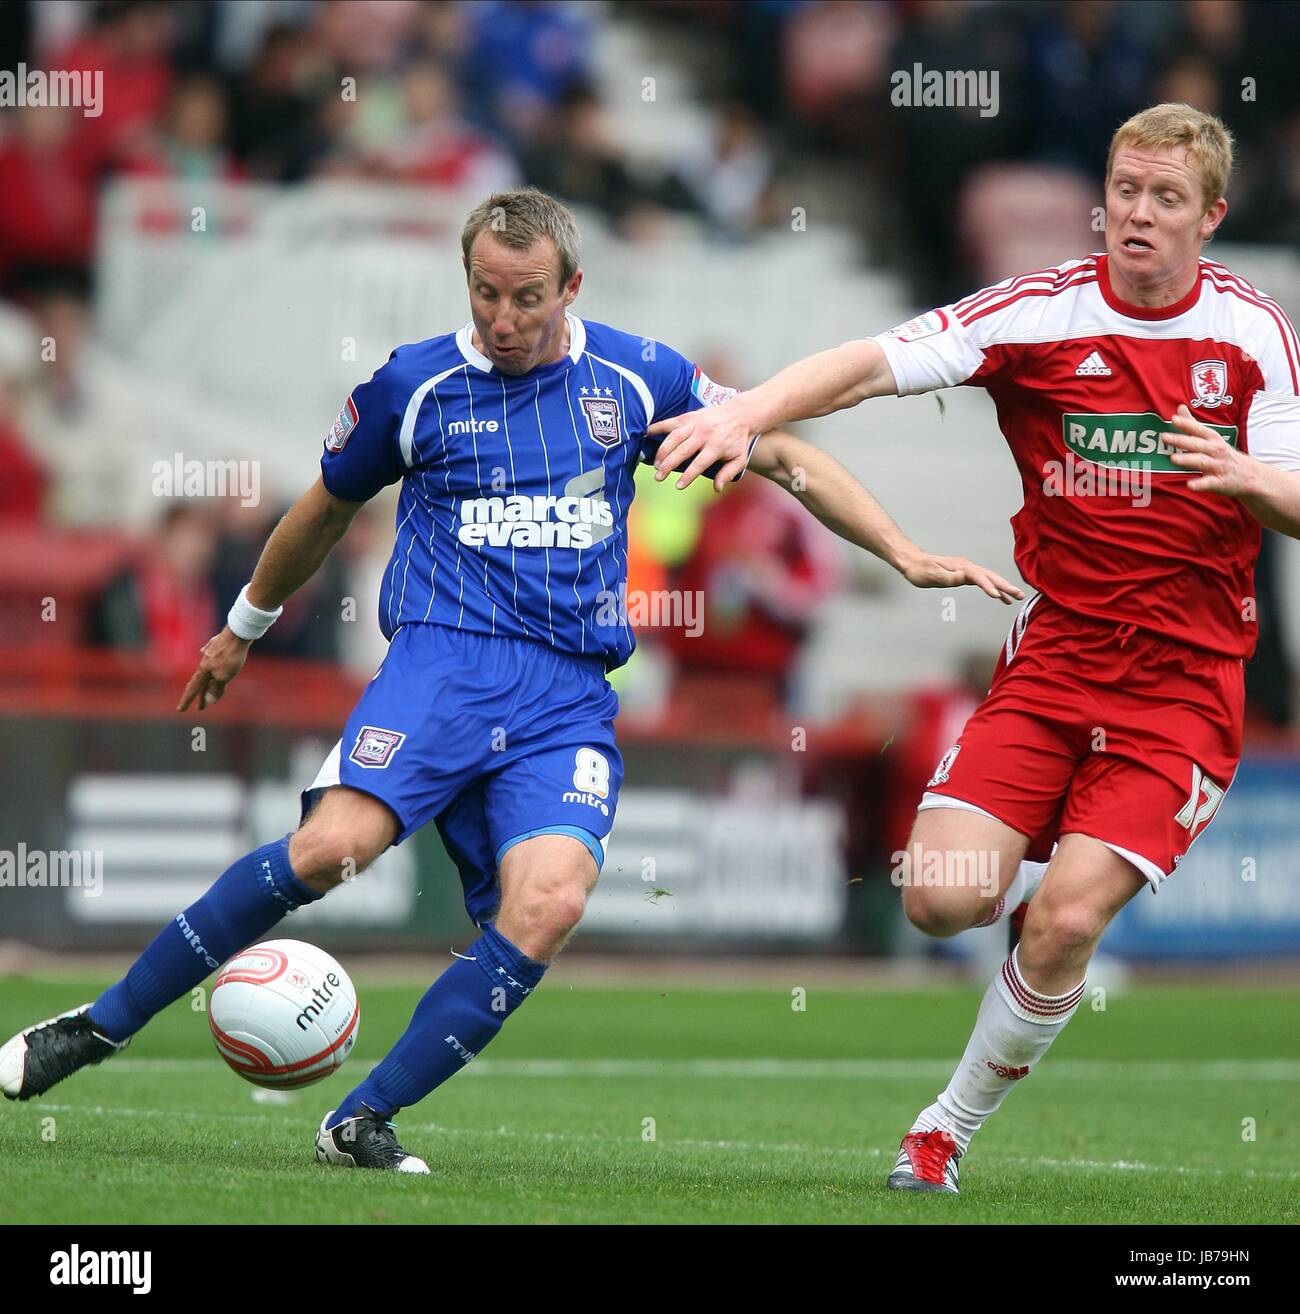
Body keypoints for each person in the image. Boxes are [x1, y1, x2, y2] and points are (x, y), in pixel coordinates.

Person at [0, 188, 1020, 1171]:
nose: (502, 316)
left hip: (565, 694)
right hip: (442, 666)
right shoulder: (414, 387)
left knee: (549, 904)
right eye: (484, 292)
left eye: (525, 296)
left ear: (571, 287)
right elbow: (320, 510)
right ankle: (98, 1025)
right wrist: (243, 626)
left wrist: (902, 551)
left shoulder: (638, 378)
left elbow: (783, 456)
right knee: (331, 848)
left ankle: (363, 1119)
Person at [645, 104, 1300, 1194]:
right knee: (940, 897)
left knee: (1065, 922)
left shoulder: (1251, 332)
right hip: (1052, 664)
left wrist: (1248, 480)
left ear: (1210, 216)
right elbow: (869, 363)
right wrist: (750, 413)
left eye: (1166, 199)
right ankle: (1047, 861)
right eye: (1124, 190)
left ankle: (940, 1131)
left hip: (1184, 685)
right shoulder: (1040, 312)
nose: (1137, 213)